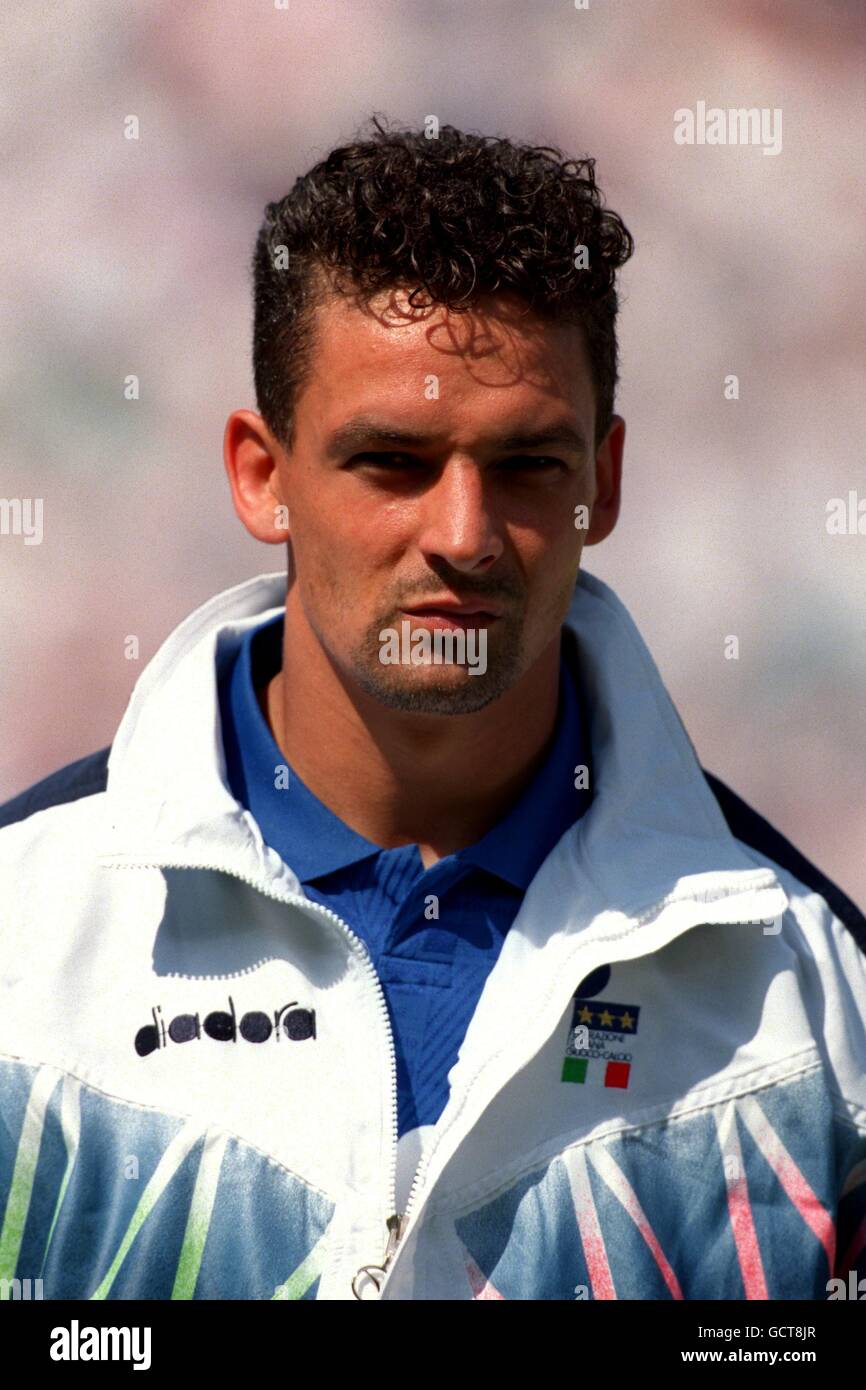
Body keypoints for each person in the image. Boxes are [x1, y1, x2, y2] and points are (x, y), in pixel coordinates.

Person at [0, 118, 863, 1303]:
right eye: (392, 461)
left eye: (524, 467)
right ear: (262, 475)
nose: (460, 536)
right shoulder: (24, 945)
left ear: (600, 484)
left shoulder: (809, 1003)